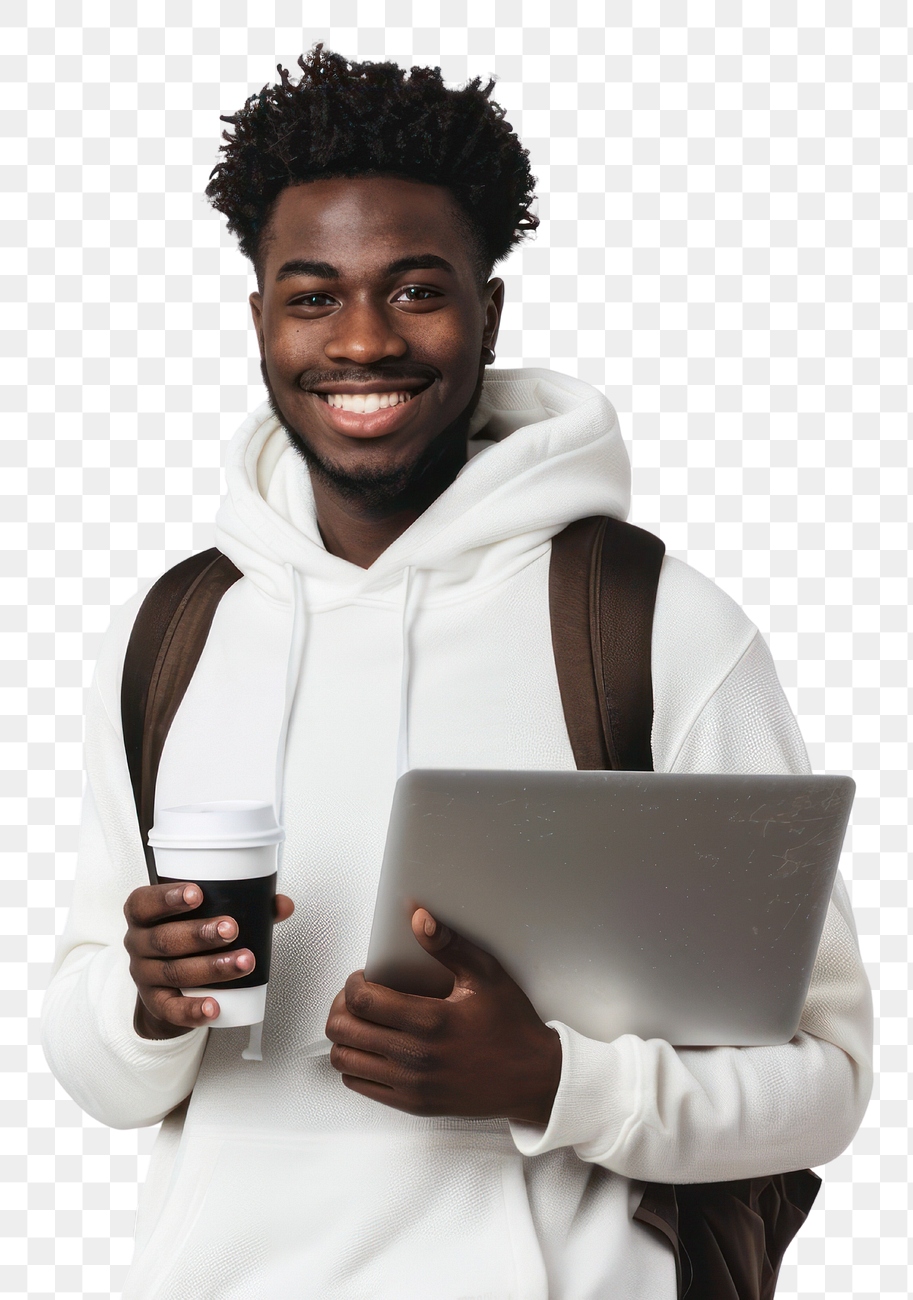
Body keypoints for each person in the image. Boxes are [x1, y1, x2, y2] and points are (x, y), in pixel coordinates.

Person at [42, 47, 872, 1300]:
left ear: (488, 307)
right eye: (313, 295)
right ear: (259, 318)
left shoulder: (649, 626)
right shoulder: (173, 632)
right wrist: (145, 1007)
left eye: (415, 290)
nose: (363, 338)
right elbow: (94, 1068)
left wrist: (554, 1080)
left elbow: (824, 1084)